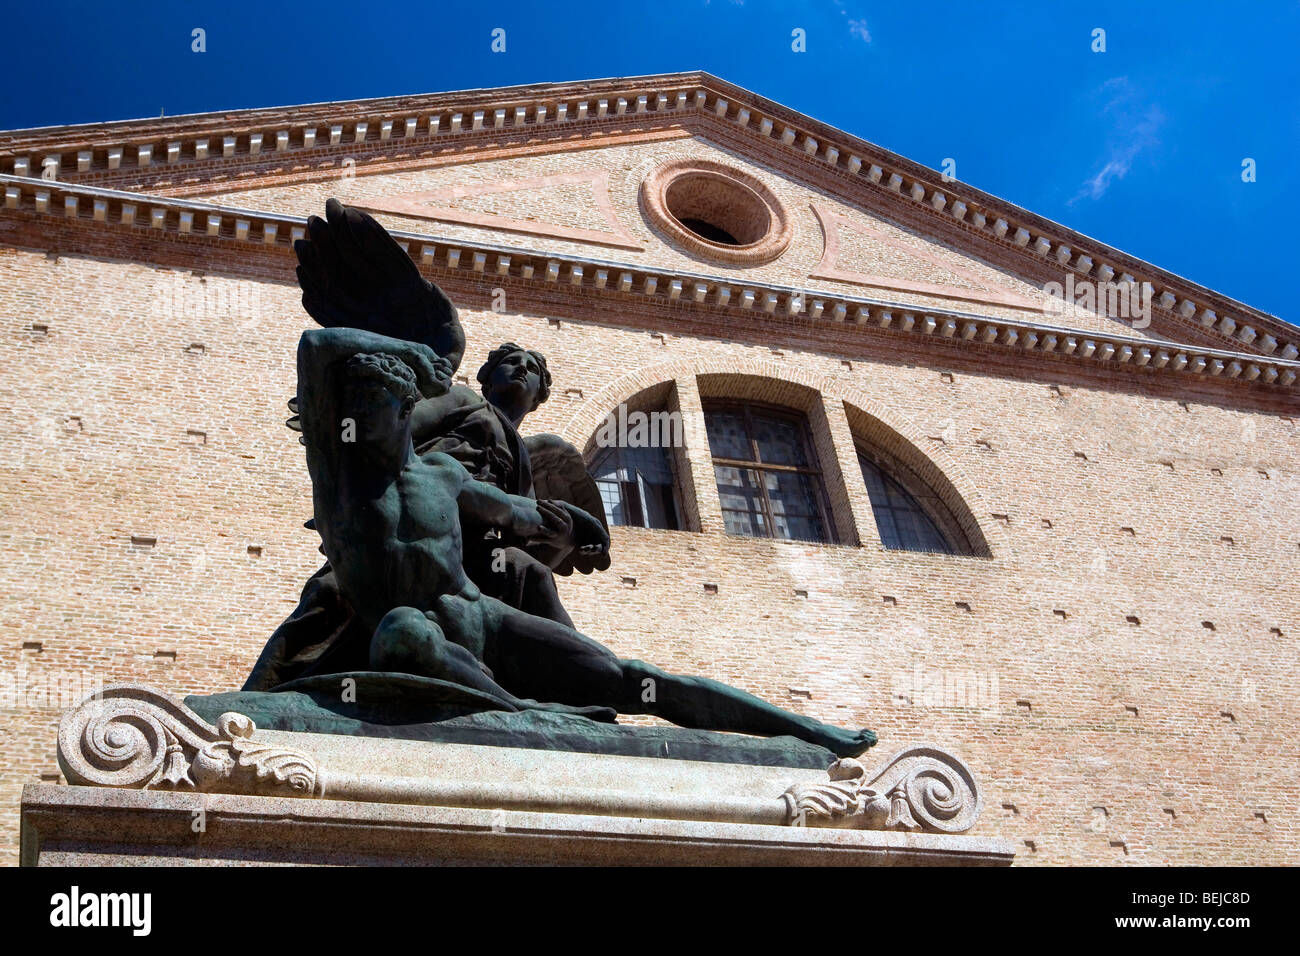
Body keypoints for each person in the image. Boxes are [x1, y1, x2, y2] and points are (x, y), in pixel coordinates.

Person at [295, 325, 877, 757]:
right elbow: (318, 352)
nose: (358, 418)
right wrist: (409, 352)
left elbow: (522, 512)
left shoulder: (459, 475)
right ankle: (528, 710)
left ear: (401, 410)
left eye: (375, 405)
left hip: (478, 613)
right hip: (417, 618)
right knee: (404, 628)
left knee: (631, 676)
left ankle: (808, 734)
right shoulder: (363, 462)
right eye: (355, 408)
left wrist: (577, 527)